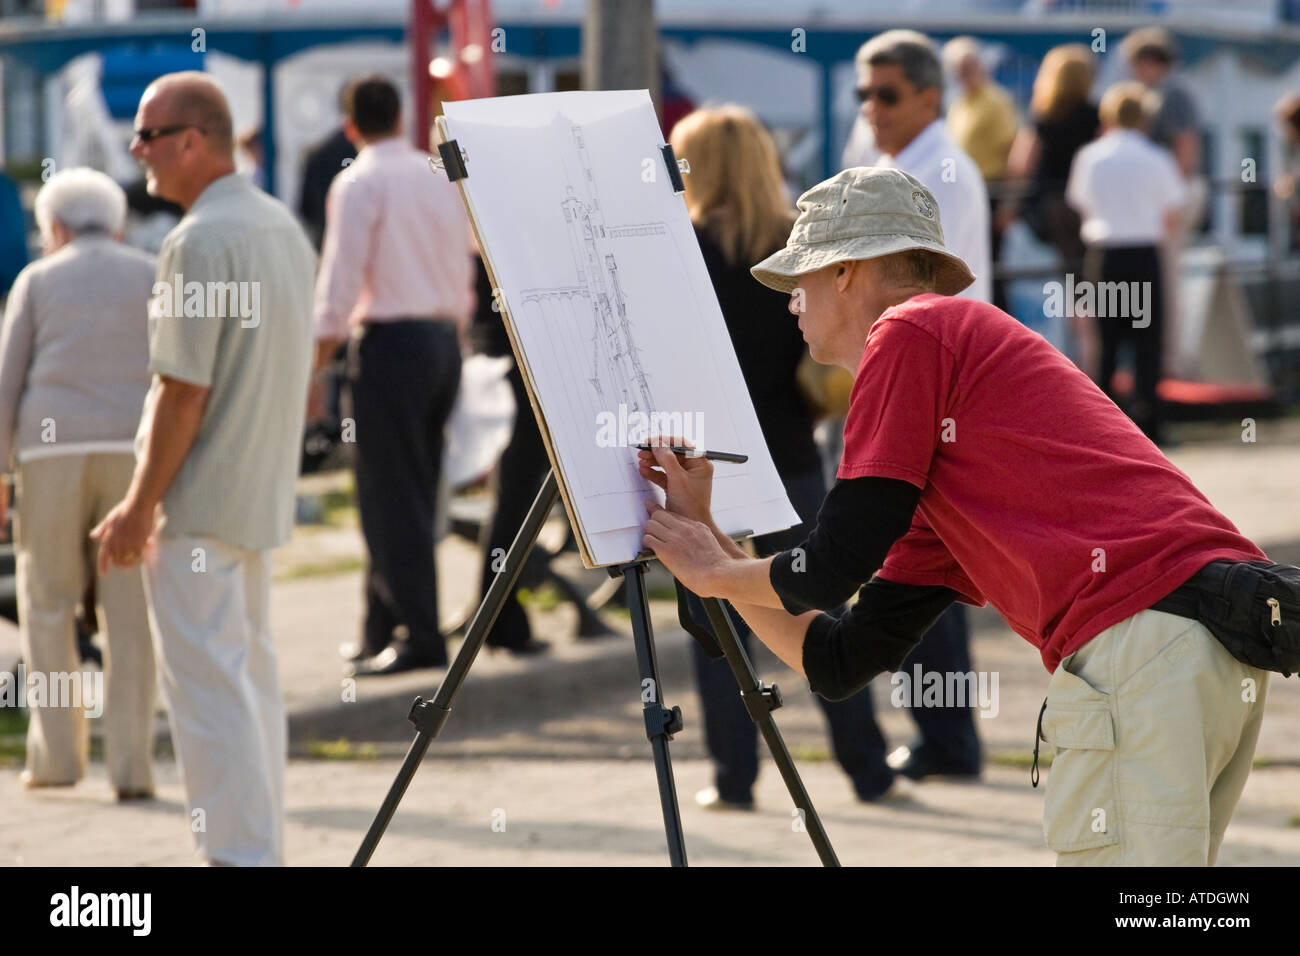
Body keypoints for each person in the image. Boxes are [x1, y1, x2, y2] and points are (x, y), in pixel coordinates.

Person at [641, 167, 1272, 866]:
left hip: (1145, 639)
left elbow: (828, 570)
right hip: (1200, 642)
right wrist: (712, 554)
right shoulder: (950, 402)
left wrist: (718, 568)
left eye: (801, 276)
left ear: (847, 270)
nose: (792, 301)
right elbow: (843, 658)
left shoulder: (912, 329)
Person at [93, 71, 316, 866]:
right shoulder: (279, 226)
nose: (136, 151)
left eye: (148, 134)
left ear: (192, 140)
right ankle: (259, 849)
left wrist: (137, 504)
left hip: (198, 499)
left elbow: (182, 390)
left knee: (209, 695)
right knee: (250, 686)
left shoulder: (196, 241)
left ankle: (239, 856)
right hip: (255, 493)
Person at [668, 105, 901, 807]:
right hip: (789, 449)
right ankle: (867, 767)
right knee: (818, 606)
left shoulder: (683, 250)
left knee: (717, 611)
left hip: (706, 456)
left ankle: (734, 778)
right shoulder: (793, 248)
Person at [850, 28, 987, 779]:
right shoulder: (901, 165)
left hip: (936, 396)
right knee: (915, 567)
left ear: (931, 97)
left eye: (888, 93)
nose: (872, 106)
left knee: (919, 569)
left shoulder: (940, 170)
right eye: (864, 92)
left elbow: (927, 292)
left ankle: (948, 739)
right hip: (920, 388)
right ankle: (945, 739)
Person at [0, 167, 156, 800]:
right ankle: (132, 767)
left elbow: (7, 380)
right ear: (116, 223)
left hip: (50, 449)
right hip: (133, 449)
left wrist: (2, 474)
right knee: (130, 612)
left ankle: (58, 758)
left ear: (56, 227)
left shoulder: (37, 280)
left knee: (48, 604)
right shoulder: (151, 272)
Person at [312, 75, 475, 677]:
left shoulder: (357, 181)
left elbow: (340, 281)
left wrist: (315, 359)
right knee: (413, 486)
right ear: (401, 115)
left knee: (388, 496)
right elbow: (464, 258)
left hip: (391, 344)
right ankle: (381, 624)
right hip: (440, 342)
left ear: (351, 124)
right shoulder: (435, 174)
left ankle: (418, 634)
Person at [1066, 83, 1185, 445]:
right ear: (1143, 118)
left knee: (1106, 344)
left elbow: (1080, 202)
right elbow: (1171, 210)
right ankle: (1152, 427)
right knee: (1148, 344)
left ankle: (1105, 431)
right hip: (1144, 254)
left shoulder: (1090, 156)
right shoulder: (1157, 157)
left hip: (1105, 256)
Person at [942, 36, 1018, 311]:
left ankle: (1001, 335)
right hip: (966, 192)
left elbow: (1012, 153)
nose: (965, 73)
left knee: (992, 267)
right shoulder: (958, 104)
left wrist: (1009, 203)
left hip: (991, 191)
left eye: (969, 65)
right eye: (959, 67)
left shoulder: (997, 102)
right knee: (971, 264)